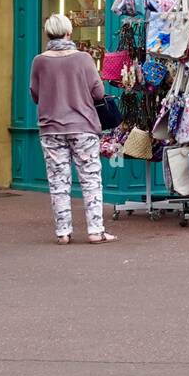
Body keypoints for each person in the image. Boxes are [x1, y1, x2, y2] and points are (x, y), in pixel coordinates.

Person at [30, 14, 114, 244]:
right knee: (90, 179)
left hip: (51, 128)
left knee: (58, 182)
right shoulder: (84, 59)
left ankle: (63, 233)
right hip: (83, 126)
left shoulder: (39, 61)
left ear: (47, 34)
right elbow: (98, 93)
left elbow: (35, 95)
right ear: (69, 32)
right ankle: (96, 230)